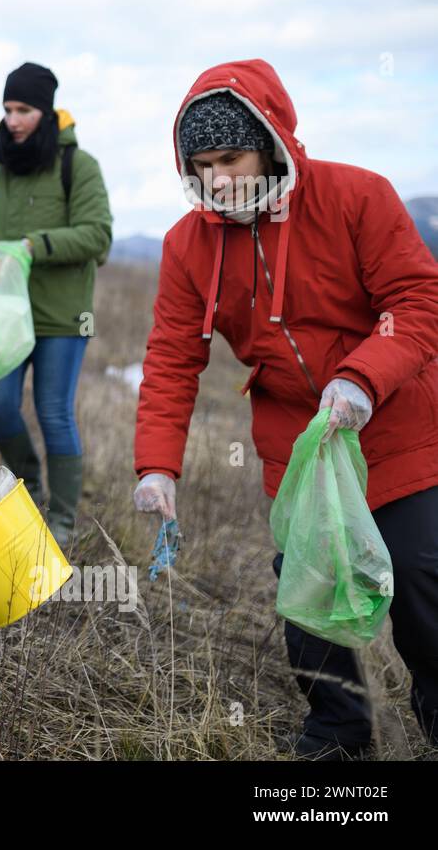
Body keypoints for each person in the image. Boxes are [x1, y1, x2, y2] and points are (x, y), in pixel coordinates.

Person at [132, 58, 438, 760]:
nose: (219, 179)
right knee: (309, 595)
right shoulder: (188, 244)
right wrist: (158, 465)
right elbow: (174, 357)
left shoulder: (357, 196)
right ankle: (339, 730)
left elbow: (419, 302)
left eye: (232, 157)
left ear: (268, 142)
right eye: (202, 164)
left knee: (421, 577)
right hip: (298, 448)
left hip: (399, 429)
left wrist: (362, 379)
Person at [0, 62, 112, 545]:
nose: (13, 119)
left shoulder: (80, 166)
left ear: (46, 111)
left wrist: (34, 245)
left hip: (62, 313)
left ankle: (64, 521)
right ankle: (29, 485)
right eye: (8, 109)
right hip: (2, 312)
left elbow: (99, 236)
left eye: (25, 110)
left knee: (54, 412)